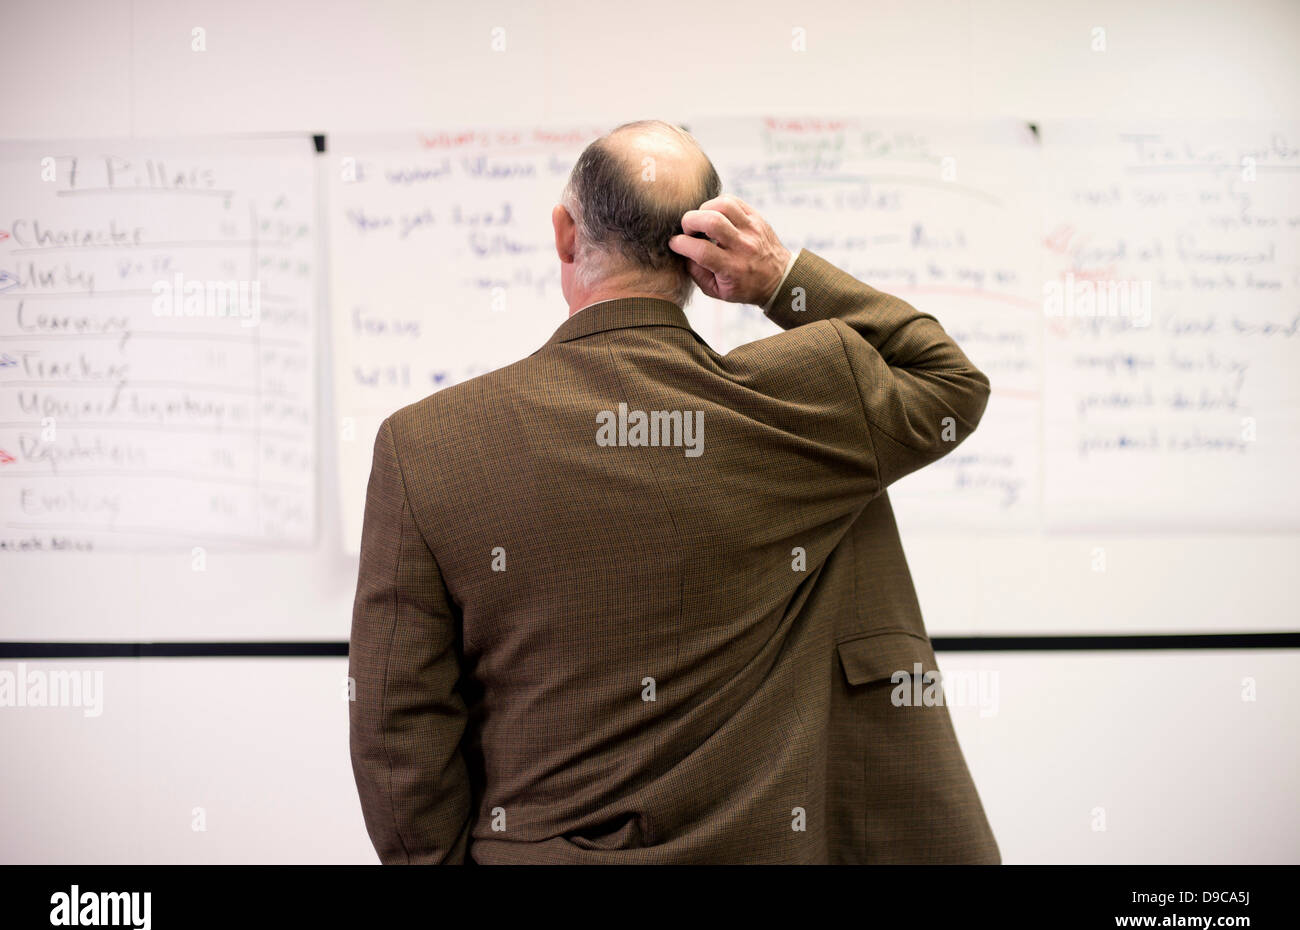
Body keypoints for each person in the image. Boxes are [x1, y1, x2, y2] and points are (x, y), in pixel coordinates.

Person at [349, 119, 1000, 863]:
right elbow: (951, 384)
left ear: (565, 233)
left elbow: (395, 727)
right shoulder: (802, 405)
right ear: (705, 252)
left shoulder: (426, 444)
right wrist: (782, 278)